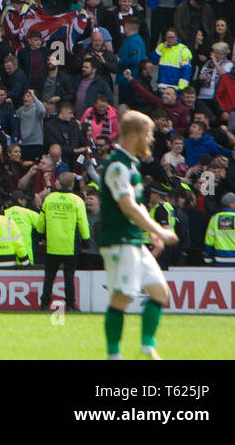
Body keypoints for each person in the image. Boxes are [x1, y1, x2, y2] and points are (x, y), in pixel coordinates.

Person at [99, 111, 178, 359]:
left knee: (160, 292)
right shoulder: (117, 166)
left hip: (133, 240)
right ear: (134, 135)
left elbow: (138, 205)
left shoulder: (130, 163)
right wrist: (158, 231)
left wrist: (151, 230)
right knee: (121, 298)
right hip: (119, 241)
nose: (152, 138)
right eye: (148, 133)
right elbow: (128, 206)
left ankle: (146, 347)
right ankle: (114, 355)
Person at [38, 171, 91, 312]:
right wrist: (86, 241)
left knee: (49, 276)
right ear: (72, 184)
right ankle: (70, 304)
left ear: (59, 183)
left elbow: (41, 222)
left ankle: (44, 304)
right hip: (70, 246)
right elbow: (83, 224)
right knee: (69, 277)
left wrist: (40, 235)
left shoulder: (49, 199)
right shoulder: (77, 201)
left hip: (52, 245)